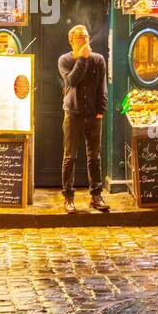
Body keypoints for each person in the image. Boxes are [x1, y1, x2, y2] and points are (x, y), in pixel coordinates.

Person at [58, 24, 109, 214]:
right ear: (71, 40)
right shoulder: (65, 60)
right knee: (69, 157)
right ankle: (68, 198)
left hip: (94, 116)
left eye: (86, 36)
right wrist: (82, 59)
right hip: (73, 115)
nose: (84, 40)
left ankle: (96, 196)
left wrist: (101, 110)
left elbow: (102, 87)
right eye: (79, 37)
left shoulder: (99, 60)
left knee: (94, 157)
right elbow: (72, 81)